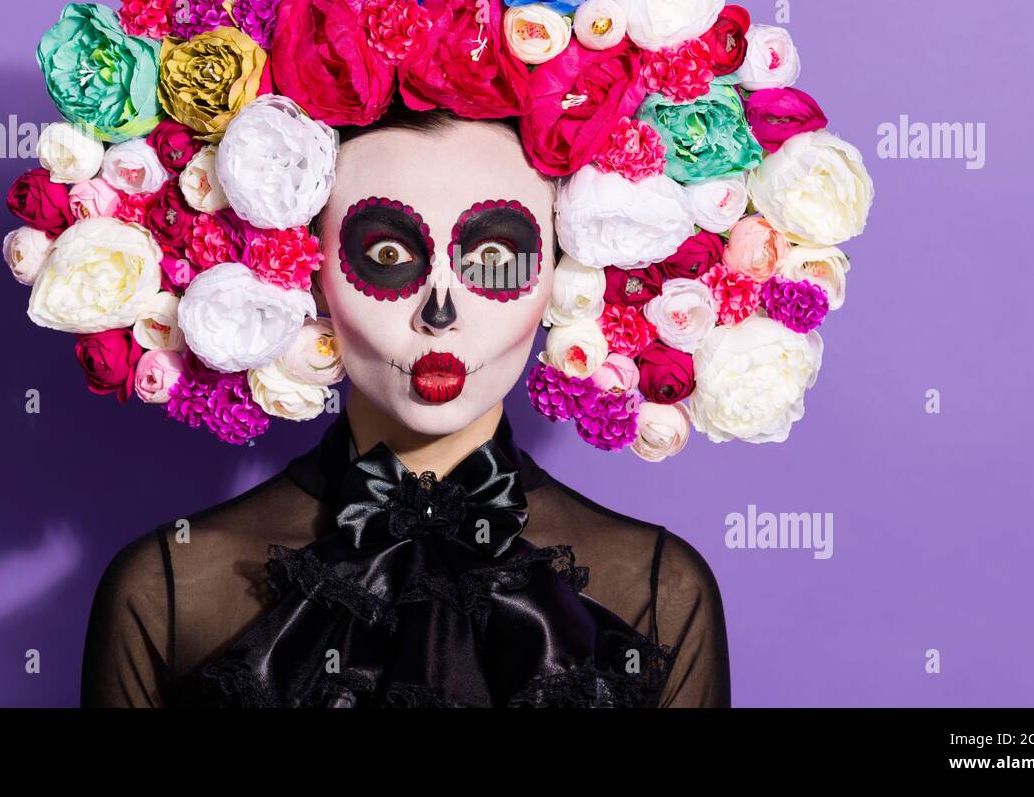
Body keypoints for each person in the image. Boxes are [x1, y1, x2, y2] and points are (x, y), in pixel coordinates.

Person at [80, 97, 731, 708]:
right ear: (307, 271)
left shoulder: (659, 592)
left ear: (564, 280)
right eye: (387, 254)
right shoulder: (169, 590)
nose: (440, 312)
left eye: (495, 257)